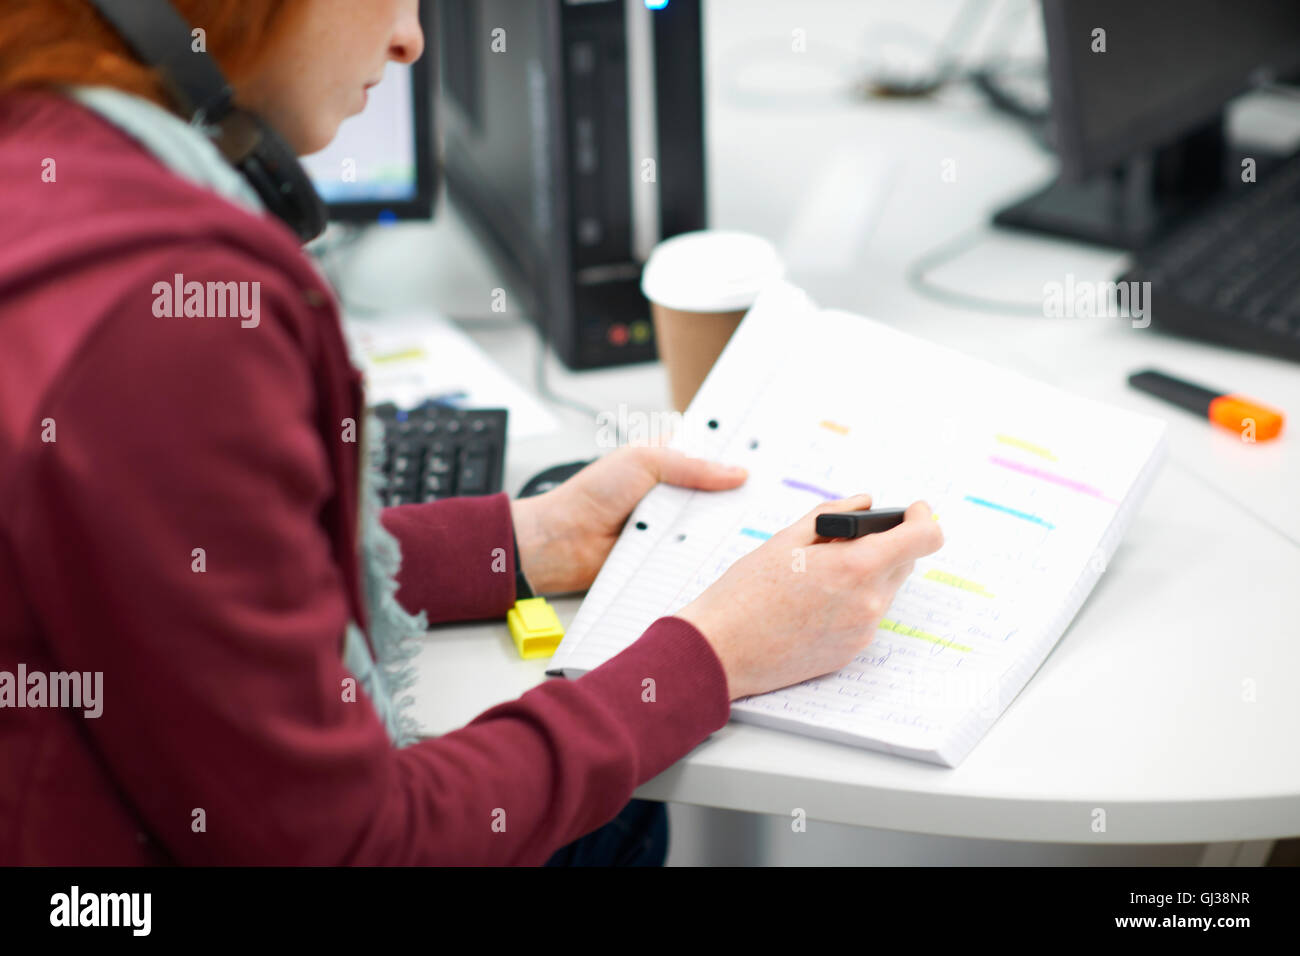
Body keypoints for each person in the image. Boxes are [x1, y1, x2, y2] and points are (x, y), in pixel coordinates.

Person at [0, 0, 943, 865]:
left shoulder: (49, 152)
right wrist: (716, 655)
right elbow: (357, 850)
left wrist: (521, 543)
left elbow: (174, 586)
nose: (411, 39)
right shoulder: (165, 315)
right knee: (614, 819)